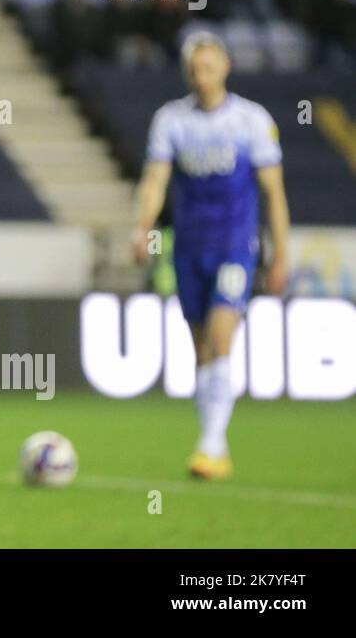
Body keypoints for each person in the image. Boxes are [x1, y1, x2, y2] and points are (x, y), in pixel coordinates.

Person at [131, 31, 290, 480]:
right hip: (189, 247)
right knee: (200, 348)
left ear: (225, 67)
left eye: (209, 68)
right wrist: (142, 229)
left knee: (221, 338)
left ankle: (211, 443)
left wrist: (281, 255)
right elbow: (155, 181)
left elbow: (273, 193)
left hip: (236, 246)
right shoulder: (172, 121)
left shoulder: (251, 121)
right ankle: (213, 447)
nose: (202, 77)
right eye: (195, 70)